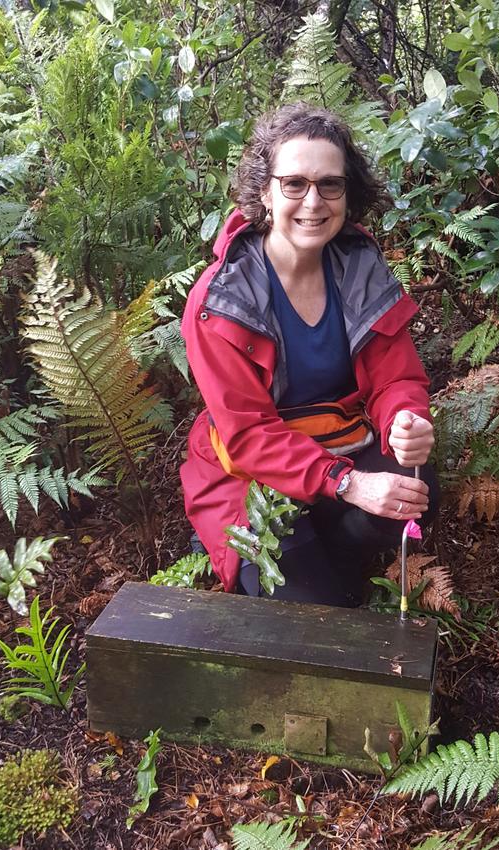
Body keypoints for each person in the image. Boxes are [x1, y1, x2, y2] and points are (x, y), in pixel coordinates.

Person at [180, 102, 438, 606]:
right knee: (318, 614)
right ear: (265, 193)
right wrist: (348, 483)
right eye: (294, 183)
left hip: (340, 443)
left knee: (417, 479)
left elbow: (396, 378)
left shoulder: (359, 266)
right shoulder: (219, 302)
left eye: (330, 185)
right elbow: (249, 433)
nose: (313, 202)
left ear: (348, 192)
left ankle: (334, 553)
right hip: (252, 479)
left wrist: (407, 418)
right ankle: (282, 559)